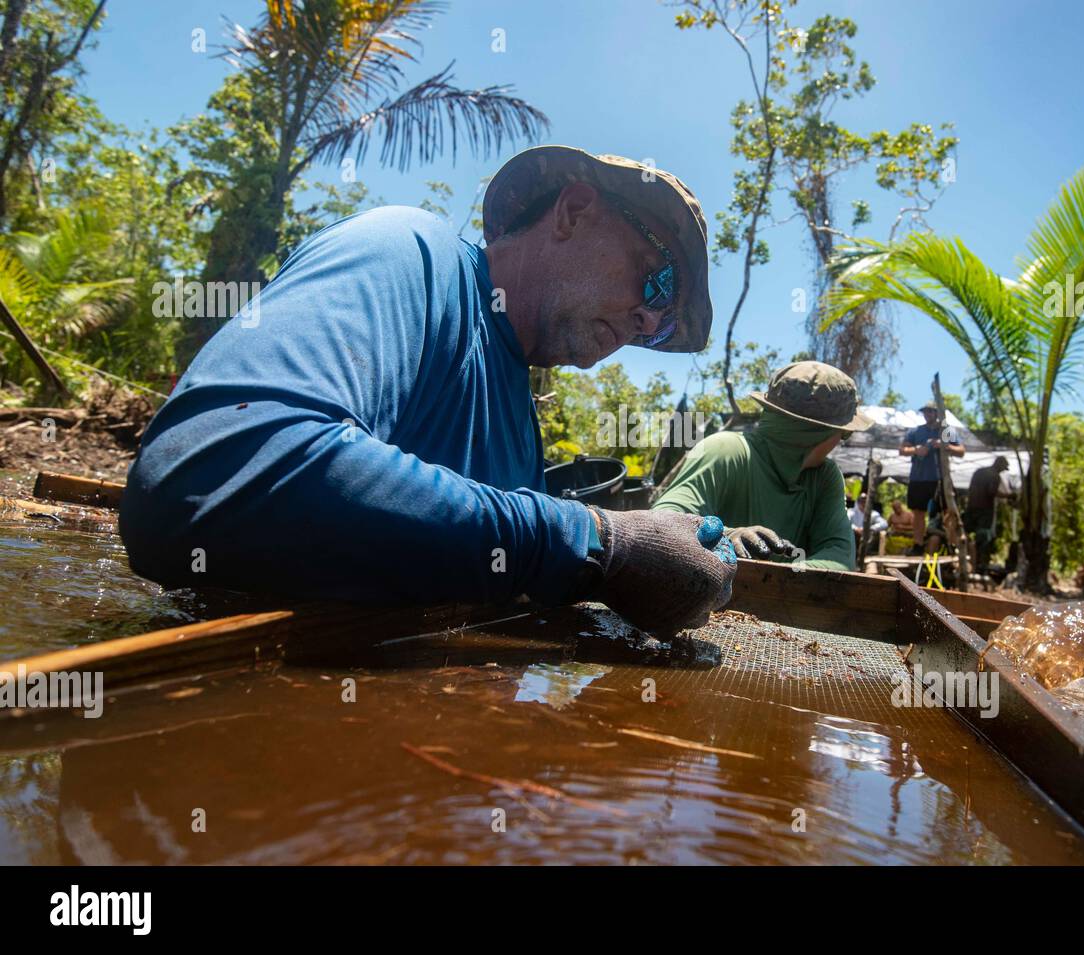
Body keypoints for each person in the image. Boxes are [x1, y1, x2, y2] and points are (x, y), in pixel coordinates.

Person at [119, 146, 735, 635]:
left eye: (666, 329)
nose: (650, 323)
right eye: (658, 284)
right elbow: (202, 477)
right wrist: (595, 542)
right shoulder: (408, 253)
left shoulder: (518, 410)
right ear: (573, 213)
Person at [652, 361, 873, 571]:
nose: (840, 441)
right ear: (819, 434)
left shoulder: (824, 477)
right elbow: (661, 524)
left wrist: (774, 578)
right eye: (844, 433)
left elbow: (840, 557)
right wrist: (725, 537)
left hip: (781, 606)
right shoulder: (726, 451)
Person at [900, 400, 965, 555]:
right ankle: (918, 545)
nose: (927, 414)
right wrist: (916, 450)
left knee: (948, 511)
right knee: (918, 512)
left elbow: (961, 451)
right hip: (918, 477)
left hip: (940, 478)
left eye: (931, 411)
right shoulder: (915, 431)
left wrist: (945, 446)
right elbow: (902, 450)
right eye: (925, 411)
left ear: (937, 413)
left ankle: (952, 545)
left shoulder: (946, 430)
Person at [964, 455, 1011, 571]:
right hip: (984, 512)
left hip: (971, 508)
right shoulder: (995, 476)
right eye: (1003, 468)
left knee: (967, 536)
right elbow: (991, 492)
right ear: (999, 465)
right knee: (983, 539)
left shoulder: (979, 472)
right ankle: (979, 565)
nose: (1002, 471)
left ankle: (971, 562)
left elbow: (971, 489)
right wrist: (1009, 496)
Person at [849, 491, 888, 565]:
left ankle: (865, 557)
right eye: (862, 501)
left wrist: (870, 528)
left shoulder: (873, 513)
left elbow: (884, 524)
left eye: (865, 501)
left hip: (868, 538)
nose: (863, 503)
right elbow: (846, 522)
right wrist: (856, 529)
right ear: (858, 502)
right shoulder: (851, 512)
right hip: (853, 537)